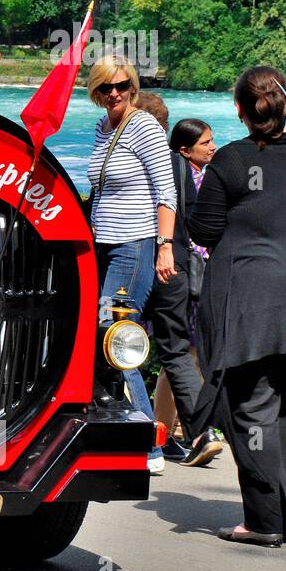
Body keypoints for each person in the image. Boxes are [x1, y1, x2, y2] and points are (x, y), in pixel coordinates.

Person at [188, 67, 286, 548]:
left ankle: (263, 521)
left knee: (252, 409)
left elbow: (203, 231)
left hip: (251, 307)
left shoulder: (232, 162)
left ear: (239, 111)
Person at [85, 55, 177, 476]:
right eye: (106, 87)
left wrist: (164, 246)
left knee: (115, 336)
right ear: (96, 91)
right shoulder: (102, 129)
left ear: (133, 85)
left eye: (122, 85)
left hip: (134, 245)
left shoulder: (143, 127)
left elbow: (166, 192)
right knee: (97, 334)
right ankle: (109, 430)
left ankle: (148, 445)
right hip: (101, 245)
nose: (115, 93)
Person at [136, 103, 227, 467]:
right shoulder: (178, 167)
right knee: (178, 352)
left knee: (117, 349)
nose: (213, 146)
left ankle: (152, 441)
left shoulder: (148, 160)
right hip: (179, 266)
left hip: (146, 260)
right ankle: (195, 432)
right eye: (206, 141)